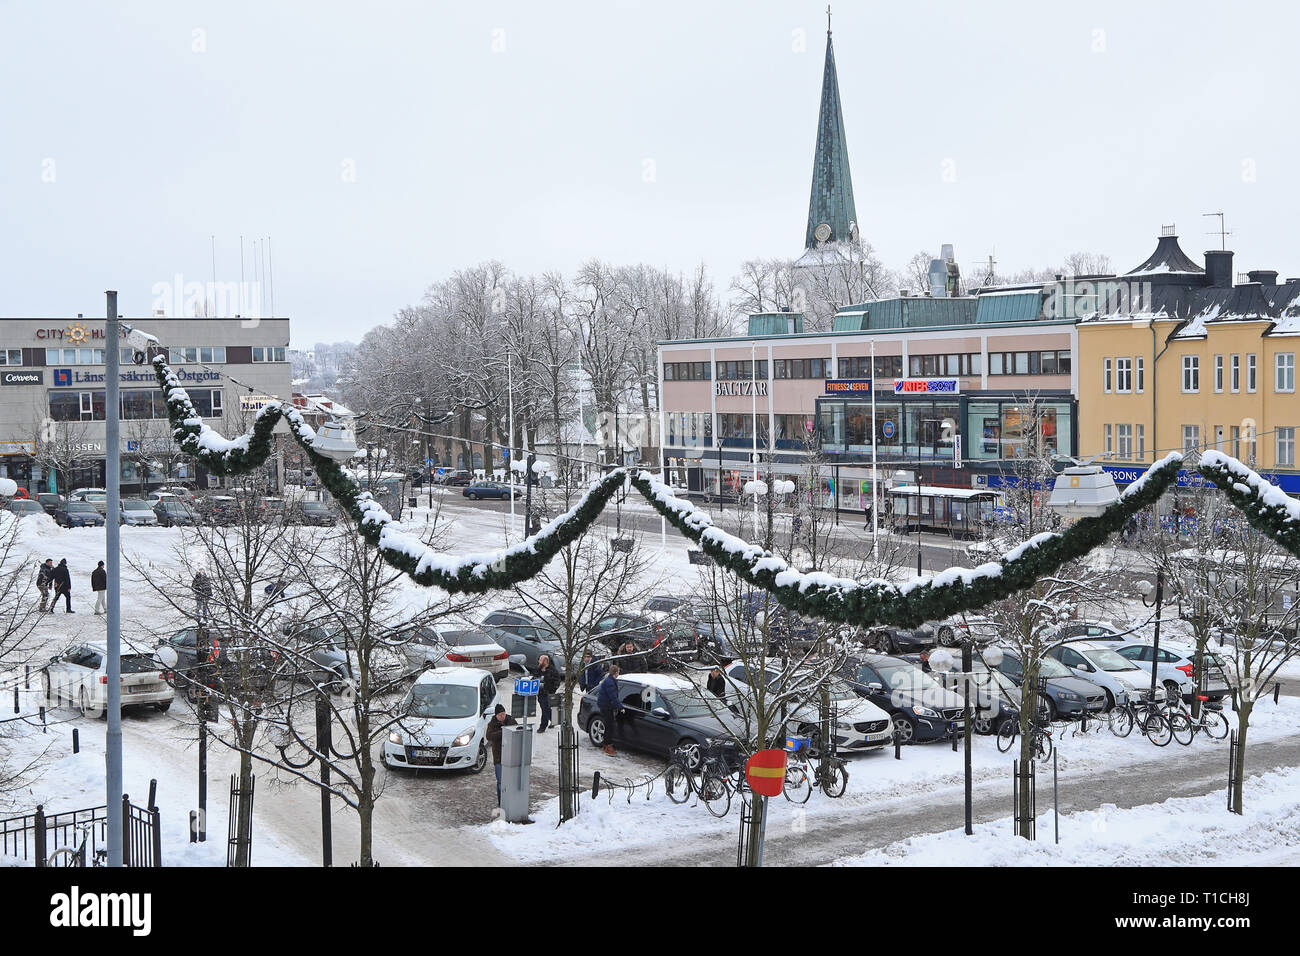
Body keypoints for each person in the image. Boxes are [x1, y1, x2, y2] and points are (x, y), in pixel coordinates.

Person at [484, 704, 517, 806]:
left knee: (511, 781)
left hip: (511, 755)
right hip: (498, 757)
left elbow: (517, 730)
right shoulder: (492, 724)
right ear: (496, 715)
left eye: (504, 714)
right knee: (500, 782)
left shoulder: (511, 720)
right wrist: (502, 732)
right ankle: (501, 802)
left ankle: (510, 801)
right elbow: (489, 736)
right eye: (500, 714)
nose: (503, 716)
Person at [596, 663, 623, 756]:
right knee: (609, 726)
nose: (618, 673)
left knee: (608, 726)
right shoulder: (610, 682)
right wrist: (620, 707)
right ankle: (608, 746)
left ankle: (605, 744)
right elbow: (613, 697)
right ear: (615, 672)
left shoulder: (610, 680)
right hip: (606, 707)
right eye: (618, 672)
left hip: (606, 706)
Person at [535, 654, 561, 733]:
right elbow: (534, 677)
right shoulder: (538, 669)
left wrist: (552, 690)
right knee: (544, 709)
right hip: (540, 693)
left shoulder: (552, 670)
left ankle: (543, 726)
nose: (539, 661)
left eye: (540, 660)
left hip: (548, 693)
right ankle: (554, 720)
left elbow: (557, 682)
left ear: (545, 661)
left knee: (545, 709)